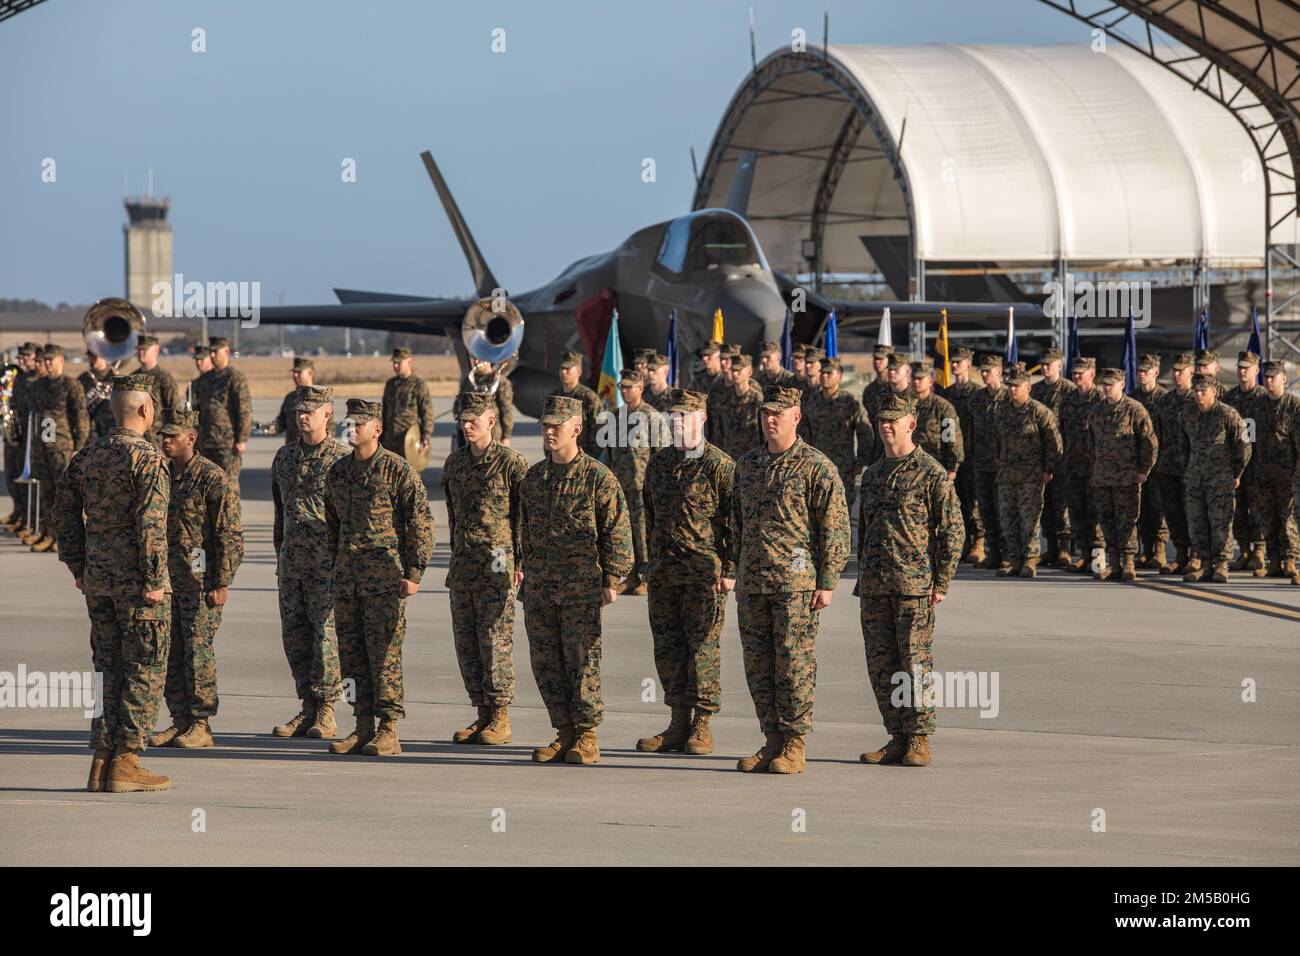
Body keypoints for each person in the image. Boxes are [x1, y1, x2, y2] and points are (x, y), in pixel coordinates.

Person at [52, 374, 172, 793]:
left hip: (99, 581)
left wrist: (77, 565)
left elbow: (63, 515)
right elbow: (151, 525)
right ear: (146, 410)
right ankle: (127, 759)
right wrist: (156, 578)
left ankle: (101, 758)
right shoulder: (147, 459)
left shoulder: (86, 457)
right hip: (139, 586)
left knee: (106, 669)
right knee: (145, 667)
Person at [733, 385, 849, 774]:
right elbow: (736, 523)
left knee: (794, 664)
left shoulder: (816, 466)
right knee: (758, 666)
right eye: (766, 413)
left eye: (778, 414)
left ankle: (795, 744)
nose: (770, 420)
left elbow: (834, 527)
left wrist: (828, 581)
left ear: (796, 417)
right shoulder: (747, 465)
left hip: (795, 584)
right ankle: (772, 741)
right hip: (752, 582)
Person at [521, 394, 633, 765]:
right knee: (546, 663)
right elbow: (524, 532)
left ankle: (586, 735)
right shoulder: (534, 479)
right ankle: (563, 732)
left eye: (558, 425)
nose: (550, 431)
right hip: (539, 588)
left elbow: (617, 531)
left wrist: (613, 578)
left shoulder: (597, 477)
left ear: (577, 428)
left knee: (582, 661)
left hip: (580, 589)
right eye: (546, 425)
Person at [858, 391, 963, 768]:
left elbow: (953, 530)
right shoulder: (873, 475)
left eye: (894, 421)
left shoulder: (930, 472)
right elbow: (866, 530)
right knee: (881, 664)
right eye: (882, 421)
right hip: (874, 585)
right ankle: (896, 735)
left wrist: (942, 582)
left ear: (911, 425)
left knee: (914, 663)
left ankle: (919, 737)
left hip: (914, 585)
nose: (886, 427)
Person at [325, 398, 435, 756]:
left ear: (377, 428)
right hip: (348, 581)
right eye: (349, 423)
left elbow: (421, 523)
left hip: (384, 581)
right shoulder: (338, 473)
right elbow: (331, 527)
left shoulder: (397, 471)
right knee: (351, 655)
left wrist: (415, 571)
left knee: (384, 655)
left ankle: (388, 728)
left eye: (360, 423)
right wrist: (334, 567)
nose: (352, 429)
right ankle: (361, 725)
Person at [638, 388, 736, 755]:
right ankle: (677, 721)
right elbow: (650, 514)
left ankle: (702, 724)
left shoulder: (719, 465)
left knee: (702, 648)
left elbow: (735, 521)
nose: (678, 422)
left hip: (703, 574)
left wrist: (729, 568)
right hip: (664, 573)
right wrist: (650, 563)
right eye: (673, 416)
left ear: (702, 418)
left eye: (685, 416)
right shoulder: (660, 463)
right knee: (668, 647)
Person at [147, 409, 243, 749]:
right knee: (169, 652)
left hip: (199, 583)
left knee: (197, 651)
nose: (166, 441)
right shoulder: (160, 475)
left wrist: (221, 581)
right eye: (163, 436)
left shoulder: (212, 478)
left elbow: (229, 534)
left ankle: (201, 724)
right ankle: (180, 720)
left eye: (173, 436)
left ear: (191, 438)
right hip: (165, 581)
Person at [441, 392, 528, 745]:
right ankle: (481, 713)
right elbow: (452, 515)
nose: (466, 426)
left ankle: (500, 717)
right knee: (467, 645)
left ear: (490, 422)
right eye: (462, 420)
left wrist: (521, 562)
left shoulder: (511, 464)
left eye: (473, 421)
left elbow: (525, 517)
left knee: (495, 643)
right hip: (464, 567)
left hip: (498, 570)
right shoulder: (455, 464)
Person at [270, 385, 348, 739]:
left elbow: (351, 518)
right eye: (299, 411)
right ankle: (306, 707)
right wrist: (280, 557)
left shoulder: (342, 460)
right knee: (295, 639)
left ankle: (327, 710)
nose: (303, 417)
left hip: (327, 567)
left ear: (327, 415)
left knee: (326, 641)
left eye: (310, 411)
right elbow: (279, 515)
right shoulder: (284, 459)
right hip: (292, 566)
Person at [1086, 367, 1157, 581]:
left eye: (1111, 384)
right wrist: (1096, 466)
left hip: (1127, 478)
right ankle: (1114, 563)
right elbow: (1090, 442)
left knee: (1126, 521)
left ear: (1122, 385)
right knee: (1106, 521)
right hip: (1102, 477)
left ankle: (1128, 562)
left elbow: (1149, 443)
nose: (1107, 388)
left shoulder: (1135, 410)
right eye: (1105, 384)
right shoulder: (1096, 411)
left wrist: (1144, 470)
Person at [1180, 373, 1251, 584]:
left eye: (1203, 390)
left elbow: (1244, 446)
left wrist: (1236, 473)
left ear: (1213, 392)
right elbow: (1183, 445)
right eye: (1196, 390)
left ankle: (1221, 565)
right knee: (1197, 524)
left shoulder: (1228, 414)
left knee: (1220, 523)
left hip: (1220, 480)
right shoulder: (1187, 414)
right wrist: (1188, 470)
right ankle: (1204, 564)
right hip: (1195, 480)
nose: (1198, 394)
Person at [993, 363, 1061, 578]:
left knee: (1029, 519)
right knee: (1008, 518)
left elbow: (1054, 444)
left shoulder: (1039, 412)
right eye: (1010, 385)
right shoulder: (1002, 411)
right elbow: (996, 442)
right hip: (1007, 476)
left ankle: (1030, 560)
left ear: (1028, 387)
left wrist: (1048, 469)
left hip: (1031, 476)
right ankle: (1013, 559)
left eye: (1017, 386)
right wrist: (1000, 464)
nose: (1012, 389)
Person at [605, 368, 667, 595]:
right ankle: (631, 574)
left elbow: (661, 454)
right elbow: (610, 453)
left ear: (640, 389)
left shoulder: (652, 417)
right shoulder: (614, 416)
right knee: (626, 532)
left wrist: (657, 485)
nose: (625, 391)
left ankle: (648, 576)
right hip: (622, 486)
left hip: (644, 486)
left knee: (644, 532)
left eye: (630, 387)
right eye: (623, 387)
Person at [28, 345, 89, 553]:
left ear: (61, 360)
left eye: (50, 360)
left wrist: (79, 447)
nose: (46, 364)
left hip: (63, 447)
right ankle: (50, 535)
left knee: (66, 496)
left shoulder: (72, 385)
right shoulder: (37, 386)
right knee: (46, 494)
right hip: (42, 448)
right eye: (44, 360)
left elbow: (81, 419)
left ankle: (71, 540)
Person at [799, 355, 873, 511]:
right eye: (822, 373)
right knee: (817, 510)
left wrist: (861, 462)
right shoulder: (812, 401)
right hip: (816, 466)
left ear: (839, 376)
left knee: (841, 511)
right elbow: (804, 434)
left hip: (843, 467)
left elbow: (865, 432)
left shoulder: (849, 402)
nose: (825, 376)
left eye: (829, 373)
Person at [1029, 347, 1076, 567]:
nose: (1046, 368)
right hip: (1041, 456)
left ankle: (1065, 548)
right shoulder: (1035, 390)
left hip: (1064, 456)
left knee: (1062, 504)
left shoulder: (1069, 390)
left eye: (1050, 364)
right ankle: (1051, 547)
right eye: (1044, 364)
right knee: (1046, 504)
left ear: (1060, 365)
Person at [1253, 360, 1300, 579]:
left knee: (1287, 519)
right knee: (1267, 519)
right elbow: (1248, 440)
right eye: (1266, 377)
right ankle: (1274, 561)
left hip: (1287, 476)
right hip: (1263, 475)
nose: (1269, 381)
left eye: (1274, 377)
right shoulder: (1257, 406)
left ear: (1284, 378)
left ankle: (1290, 559)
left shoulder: (1294, 406)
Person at [1153, 353, 1196, 574]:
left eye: (1182, 370)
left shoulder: (1198, 400)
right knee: (1173, 513)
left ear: (1191, 372)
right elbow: (1156, 436)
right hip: (1168, 467)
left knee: (1194, 513)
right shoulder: (1165, 402)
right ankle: (1180, 555)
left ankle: (1196, 557)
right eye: (1175, 370)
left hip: (1192, 469)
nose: (1177, 374)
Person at [1060, 357, 1103, 572]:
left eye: (1081, 373)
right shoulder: (1068, 400)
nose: (1076, 376)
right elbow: (1061, 432)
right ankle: (1084, 555)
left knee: (1096, 515)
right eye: (1074, 372)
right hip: (1072, 466)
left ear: (1092, 374)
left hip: (1096, 467)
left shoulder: (1101, 400)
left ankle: (1098, 558)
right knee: (1077, 514)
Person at [192, 337, 251, 493]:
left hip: (227, 444)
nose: (212, 355)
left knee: (228, 488)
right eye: (210, 351)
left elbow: (244, 410)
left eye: (215, 351)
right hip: (205, 443)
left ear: (226, 351)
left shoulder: (235, 378)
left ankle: (231, 519)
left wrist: (241, 439)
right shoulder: (203, 380)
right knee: (207, 488)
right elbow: (195, 410)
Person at [1224, 351, 1265, 572]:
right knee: (1238, 510)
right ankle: (1244, 550)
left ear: (1256, 370)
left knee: (1258, 509)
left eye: (1247, 368)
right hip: (1236, 465)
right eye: (1240, 367)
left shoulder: (1264, 398)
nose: (1242, 371)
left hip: (1258, 464)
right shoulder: (1230, 399)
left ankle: (1259, 550)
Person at [942, 346, 982, 562]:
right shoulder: (947, 394)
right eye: (953, 362)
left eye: (959, 362)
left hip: (974, 455)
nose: (955, 365)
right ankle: (965, 540)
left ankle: (979, 542)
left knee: (975, 501)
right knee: (960, 502)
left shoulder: (977, 393)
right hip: (954, 458)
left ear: (968, 364)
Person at [969, 355, 1007, 569]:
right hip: (982, 464)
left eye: (989, 370)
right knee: (986, 510)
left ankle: (1008, 554)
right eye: (982, 370)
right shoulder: (976, 399)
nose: (984, 374)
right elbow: (971, 432)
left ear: (999, 372)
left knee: (1004, 511)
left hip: (1003, 465)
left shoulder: (1007, 397)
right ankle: (993, 552)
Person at [1130, 354, 1168, 567]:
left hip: (1159, 463)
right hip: (1137, 463)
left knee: (1158, 507)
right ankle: (1145, 549)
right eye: (1140, 370)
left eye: (1147, 370)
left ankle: (1160, 549)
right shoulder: (1132, 398)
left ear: (1156, 372)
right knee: (1141, 507)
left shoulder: (1164, 399)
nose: (1142, 374)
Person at [1, 342, 39, 534]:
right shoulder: (20, 378)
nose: (21, 360)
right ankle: (20, 514)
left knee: (31, 481)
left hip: (31, 435)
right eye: (20, 357)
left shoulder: (37, 379)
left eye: (26, 357)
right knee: (13, 474)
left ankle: (31, 520)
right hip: (18, 432)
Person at [709, 351, 764, 462]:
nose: (734, 374)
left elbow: (763, 433)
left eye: (738, 370)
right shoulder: (725, 398)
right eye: (733, 370)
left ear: (749, 372)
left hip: (751, 460)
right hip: (728, 458)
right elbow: (718, 430)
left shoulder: (757, 400)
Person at [380, 347, 433, 461]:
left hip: (409, 442)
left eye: (398, 363)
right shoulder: (390, 384)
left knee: (410, 476)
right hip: (389, 442)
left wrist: (426, 437)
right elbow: (384, 411)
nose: (395, 366)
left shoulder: (418, 385)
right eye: (394, 363)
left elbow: (427, 413)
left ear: (409, 362)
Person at [549, 350, 602, 459]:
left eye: (568, 369)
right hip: (557, 458)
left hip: (582, 458)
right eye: (561, 368)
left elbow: (598, 432)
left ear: (578, 372)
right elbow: (548, 426)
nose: (563, 372)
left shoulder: (589, 398)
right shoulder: (554, 397)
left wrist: (589, 459)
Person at [452, 357, 514, 446]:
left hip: (492, 435)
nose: (476, 362)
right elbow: (457, 405)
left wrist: (506, 437)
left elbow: (506, 411)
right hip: (469, 436)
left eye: (480, 359)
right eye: (474, 359)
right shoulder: (470, 380)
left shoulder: (500, 382)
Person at [133, 333, 180, 446]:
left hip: (157, 441)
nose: (141, 352)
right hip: (137, 440)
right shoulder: (133, 378)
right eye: (139, 349)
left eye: (145, 349)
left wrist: (170, 438)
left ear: (156, 351)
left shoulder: (163, 377)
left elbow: (174, 410)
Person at [272, 357, 316, 445]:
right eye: (294, 372)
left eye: (299, 372)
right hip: (292, 453)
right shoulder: (290, 398)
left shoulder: (320, 398)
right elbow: (282, 422)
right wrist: (273, 428)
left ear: (310, 373)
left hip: (313, 452)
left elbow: (329, 427)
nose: (295, 375)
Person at [77, 349, 116, 440]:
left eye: (95, 356)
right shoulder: (83, 379)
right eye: (90, 356)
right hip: (89, 434)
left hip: (110, 432)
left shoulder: (115, 378)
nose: (92, 360)